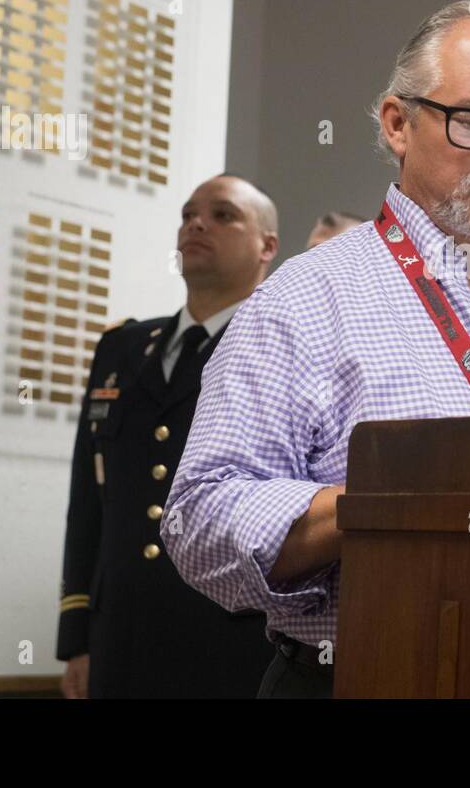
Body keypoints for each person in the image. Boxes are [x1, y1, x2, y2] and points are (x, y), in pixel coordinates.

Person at [162, 0, 470, 698]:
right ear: (397, 124)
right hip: (359, 679)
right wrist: (385, 502)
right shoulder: (305, 300)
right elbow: (200, 518)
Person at [56, 173, 279, 698]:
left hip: (228, 642)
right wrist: (76, 638)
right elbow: (88, 501)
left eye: (224, 215)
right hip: (119, 637)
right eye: (188, 214)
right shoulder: (122, 349)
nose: (197, 224)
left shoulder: (278, 347)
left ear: (267, 245)